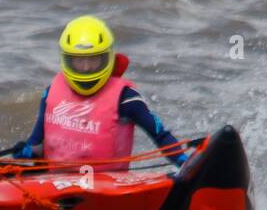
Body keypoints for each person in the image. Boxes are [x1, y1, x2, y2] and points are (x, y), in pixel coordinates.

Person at [12, 15, 188, 168]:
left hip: (108, 186)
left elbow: (161, 135)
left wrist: (184, 161)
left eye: (93, 60)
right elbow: (36, 144)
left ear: (107, 58)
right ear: (67, 60)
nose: (86, 68)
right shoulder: (51, 93)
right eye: (79, 61)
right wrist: (27, 151)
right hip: (55, 186)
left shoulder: (127, 98)